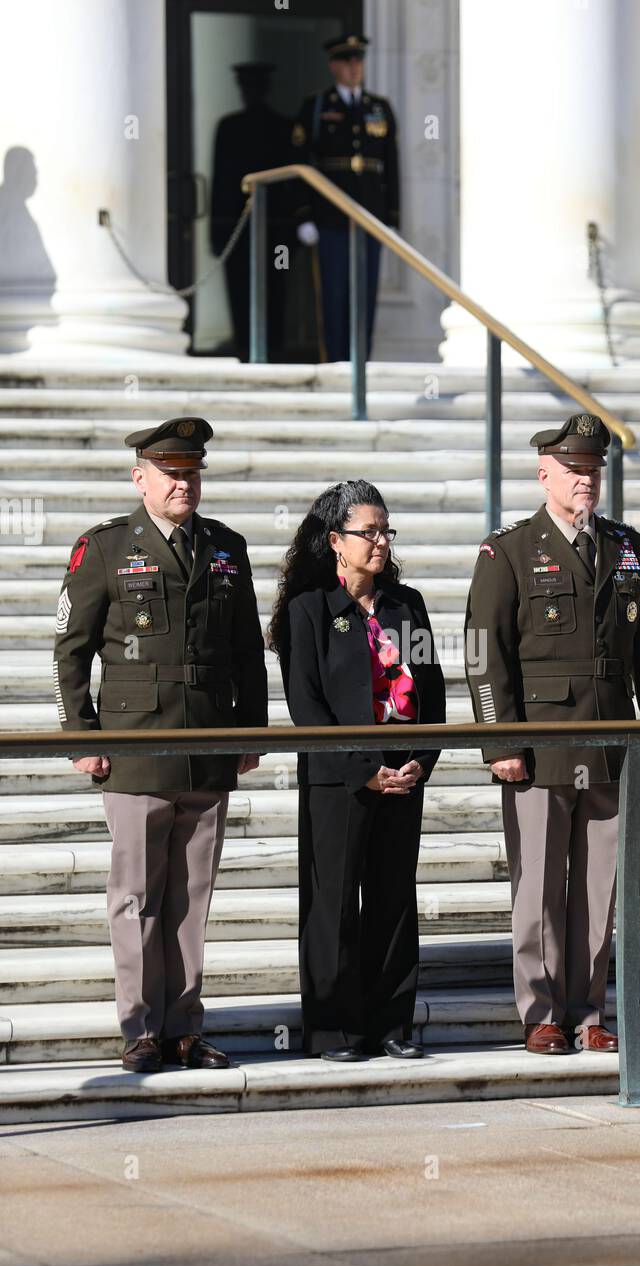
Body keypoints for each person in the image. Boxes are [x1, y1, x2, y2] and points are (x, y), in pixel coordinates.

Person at [52, 418, 268, 1073]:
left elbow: (247, 651)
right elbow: (72, 650)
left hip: (207, 744)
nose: (184, 484)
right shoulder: (106, 547)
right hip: (137, 745)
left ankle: (183, 1027)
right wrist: (82, 737)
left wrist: (250, 731)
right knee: (136, 895)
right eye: (171, 473)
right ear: (139, 477)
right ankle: (140, 1027)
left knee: (191, 896)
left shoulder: (226, 547)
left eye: (192, 472)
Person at [464, 414, 640, 1056]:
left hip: (612, 745)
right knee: (537, 883)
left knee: (597, 886)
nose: (586, 480)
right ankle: (541, 1010)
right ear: (544, 473)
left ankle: (588, 1009)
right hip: (540, 743)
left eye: (594, 469)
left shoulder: (627, 547)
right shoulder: (510, 551)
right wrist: (499, 743)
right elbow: (482, 653)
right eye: (574, 469)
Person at [269, 481, 445, 1062]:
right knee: (335, 902)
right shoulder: (309, 610)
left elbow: (433, 691)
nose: (380, 541)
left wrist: (423, 759)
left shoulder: (406, 605)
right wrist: (362, 770)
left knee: (393, 900)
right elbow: (307, 705)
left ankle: (390, 1022)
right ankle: (335, 1029)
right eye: (368, 531)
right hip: (339, 782)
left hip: (404, 776)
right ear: (335, 540)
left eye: (385, 530)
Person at [290, 33, 399, 362]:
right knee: (334, 294)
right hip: (330, 217)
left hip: (370, 217)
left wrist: (392, 218)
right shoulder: (317, 107)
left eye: (358, 61)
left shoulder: (378, 108)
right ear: (333, 65)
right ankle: (336, 361)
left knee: (364, 296)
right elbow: (300, 162)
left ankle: (359, 363)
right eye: (347, 61)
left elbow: (391, 165)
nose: (354, 68)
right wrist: (303, 215)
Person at [210, 62, 293, 361]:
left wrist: (292, 231)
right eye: (247, 87)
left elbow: (290, 186)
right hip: (237, 227)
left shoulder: (283, 127)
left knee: (276, 291)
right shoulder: (228, 127)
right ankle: (245, 349)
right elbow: (220, 183)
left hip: (276, 229)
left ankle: (274, 351)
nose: (251, 93)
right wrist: (217, 233)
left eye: (255, 87)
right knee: (240, 291)